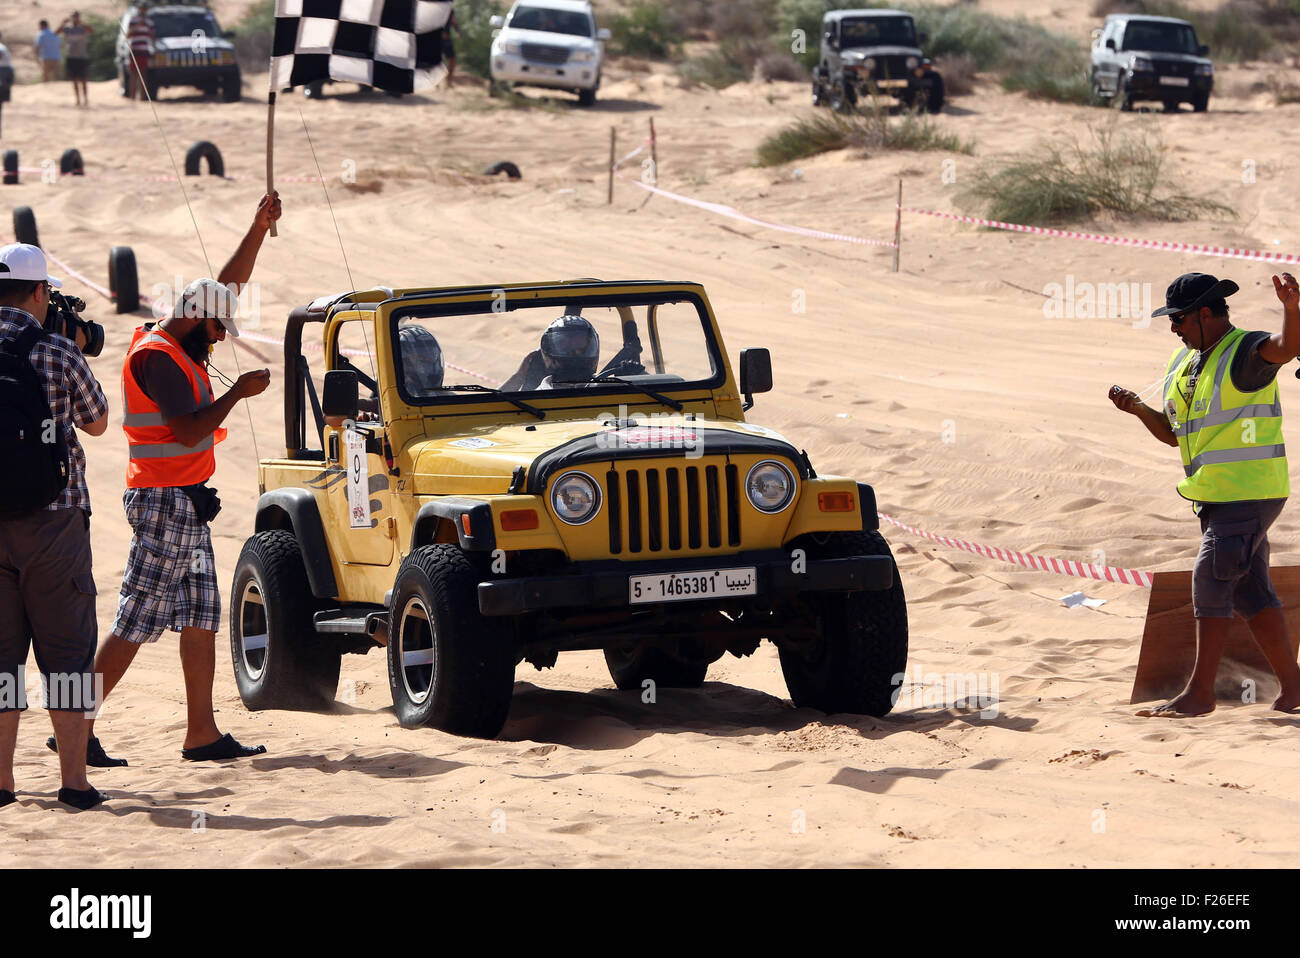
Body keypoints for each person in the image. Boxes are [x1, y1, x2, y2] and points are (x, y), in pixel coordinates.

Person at [56, 193, 281, 767]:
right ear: (192, 318)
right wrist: (236, 393)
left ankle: (200, 733)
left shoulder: (182, 331)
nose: (221, 336)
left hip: (186, 503)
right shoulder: (158, 357)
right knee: (136, 615)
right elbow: (184, 430)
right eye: (216, 327)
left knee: (202, 612)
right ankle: (74, 727)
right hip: (163, 503)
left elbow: (224, 284)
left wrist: (257, 229)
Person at [1110, 270, 1300, 718]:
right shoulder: (1185, 363)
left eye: (1178, 318)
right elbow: (1174, 437)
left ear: (1207, 314)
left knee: (1210, 580)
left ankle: (1200, 694)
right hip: (1218, 497)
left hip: (1247, 493)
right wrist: (1138, 409)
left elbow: (1286, 349)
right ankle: (1294, 688)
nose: (1173, 327)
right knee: (1251, 593)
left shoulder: (1244, 352)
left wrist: (1292, 309)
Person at [0, 244, 110, 809]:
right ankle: (74, 782)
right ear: (41, 292)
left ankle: (2, 783)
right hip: (55, 522)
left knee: (2, 661)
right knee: (67, 654)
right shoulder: (57, 352)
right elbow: (97, 423)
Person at [502, 315, 600, 391]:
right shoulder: (534, 398)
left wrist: (519, 377)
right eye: (565, 345)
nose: (573, 353)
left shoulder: (608, 388)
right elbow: (496, 407)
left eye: (580, 346)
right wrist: (519, 377)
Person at [58, 11, 92, 107]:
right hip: (71, 57)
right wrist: (63, 23)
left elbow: (91, 30)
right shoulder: (67, 29)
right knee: (74, 80)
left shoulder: (82, 28)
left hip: (82, 57)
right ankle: (78, 99)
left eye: (76, 17)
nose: (75, 19)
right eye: (73, 17)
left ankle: (85, 99)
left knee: (84, 80)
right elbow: (56, 32)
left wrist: (81, 22)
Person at [126, 5, 155, 101]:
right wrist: (139, 24)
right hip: (134, 50)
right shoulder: (133, 20)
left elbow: (152, 36)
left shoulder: (149, 22)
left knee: (143, 74)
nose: (143, 10)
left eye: (145, 8)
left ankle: (142, 97)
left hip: (144, 50)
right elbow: (128, 34)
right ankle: (132, 96)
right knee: (133, 73)